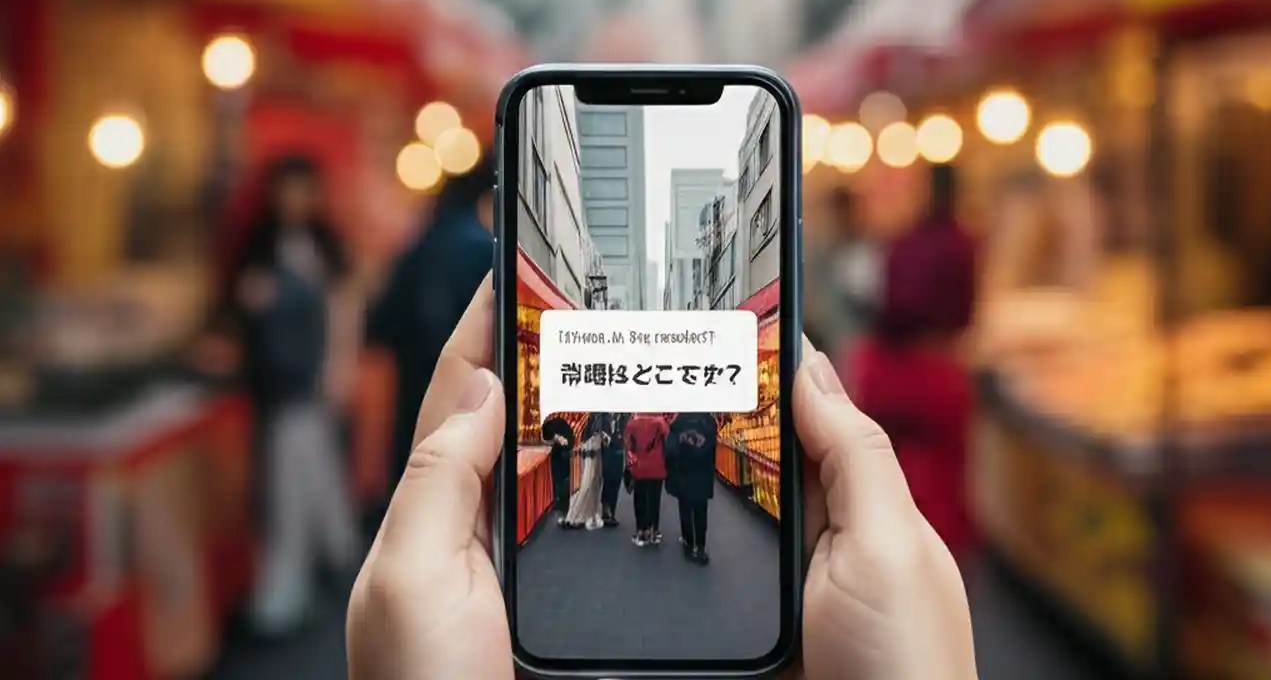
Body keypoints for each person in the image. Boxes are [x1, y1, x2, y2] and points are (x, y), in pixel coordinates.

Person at [346, 281, 979, 680]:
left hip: (653, 476)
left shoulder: (651, 425)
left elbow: (649, 446)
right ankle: (683, 539)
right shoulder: (685, 421)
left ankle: (655, 532)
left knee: (643, 509)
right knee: (677, 516)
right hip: (683, 483)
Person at [231, 154, 358, 634]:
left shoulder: (325, 247)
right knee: (304, 475)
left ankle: (289, 585)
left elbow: (345, 312)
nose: (295, 200)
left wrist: (338, 366)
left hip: (310, 377)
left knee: (297, 478)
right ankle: (332, 555)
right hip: (275, 379)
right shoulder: (260, 247)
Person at [845, 162, 977, 558]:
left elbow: (879, 300)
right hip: (935, 373)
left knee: (885, 471)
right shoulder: (963, 244)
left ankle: (887, 555)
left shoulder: (900, 243)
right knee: (943, 479)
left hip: (883, 370)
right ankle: (939, 570)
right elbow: (966, 316)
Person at [368, 152, 494, 504]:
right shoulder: (482, 250)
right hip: (470, 394)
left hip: (413, 392)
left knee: (416, 484)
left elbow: (380, 325)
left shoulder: (418, 247)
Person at [669, 412, 718, 565]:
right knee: (701, 510)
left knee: (685, 508)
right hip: (703, 472)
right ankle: (701, 546)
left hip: (684, 471)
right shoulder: (709, 422)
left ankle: (688, 541)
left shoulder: (679, 422)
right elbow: (712, 446)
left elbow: (671, 449)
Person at [624, 412, 669, 547]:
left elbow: (627, 442)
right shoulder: (661, 423)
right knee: (654, 499)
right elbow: (667, 440)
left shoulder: (632, 423)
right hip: (657, 466)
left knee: (640, 498)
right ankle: (654, 531)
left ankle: (641, 531)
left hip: (639, 466)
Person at [561, 414, 607, 530]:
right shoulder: (589, 416)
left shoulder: (594, 415)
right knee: (587, 482)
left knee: (593, 482)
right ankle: (574, 516)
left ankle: (583, 514)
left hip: (593, 445)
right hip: (589, 445)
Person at [540, 417, 575, 520]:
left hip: (566, 452)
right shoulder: (556, 419)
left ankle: (564, 506)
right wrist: (557, 438)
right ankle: (563, 507)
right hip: (561, 453)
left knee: (563, 479)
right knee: (561, 479)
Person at [599, 412, 627, 527]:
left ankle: (612, 511)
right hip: (606, 451)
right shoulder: (603, 416)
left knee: (616, 481)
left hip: (619, 452)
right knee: (607, 480)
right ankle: (606, 510)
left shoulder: (624, 416)